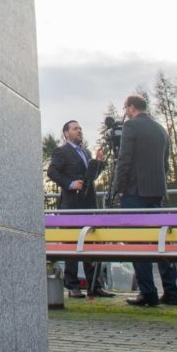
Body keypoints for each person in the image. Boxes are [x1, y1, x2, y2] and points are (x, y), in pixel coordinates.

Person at [109, 94, 177, 306]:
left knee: (137, 242)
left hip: (135, 191)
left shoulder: (131, 126)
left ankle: (147, 292)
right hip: (156, 192)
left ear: (131, 107)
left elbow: (125, 159)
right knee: (161, 241)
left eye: (125, 108)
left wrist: (118, 188)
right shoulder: (161, 130)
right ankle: (172, 292)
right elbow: (165, 164)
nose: (125, 111)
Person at [46, 119, 112, 298]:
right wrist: (69, 183)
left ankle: (94, 285)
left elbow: (91, 177)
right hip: (71, 205)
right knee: (72, 245)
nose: (79, 131)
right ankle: (72, 285)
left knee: (91, 244)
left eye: (80, 128)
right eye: (75, 129)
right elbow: (52, 172)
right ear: (66, 133)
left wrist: (98, 163)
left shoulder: (86, 152)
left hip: (88, 203)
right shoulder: (61, 151)